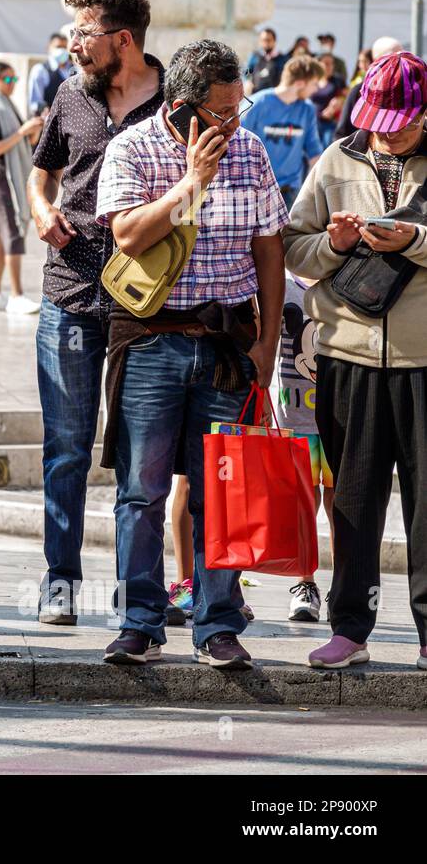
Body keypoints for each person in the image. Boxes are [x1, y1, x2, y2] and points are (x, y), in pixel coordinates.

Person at [96, 39, 286, 668]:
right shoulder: (133, 147)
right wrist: (191, 183)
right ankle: (140, 621)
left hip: (228, 346)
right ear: (183, 109)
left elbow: (269, 252)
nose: (237, 123)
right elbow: (126, 232)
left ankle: (218, 625)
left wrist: (267, 343)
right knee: (142, 490)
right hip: (152, 342)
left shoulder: (253, 154)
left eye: (241, 108)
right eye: (225, 112)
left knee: (221, 493)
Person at [283, 51, 427, 672]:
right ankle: (351, 627)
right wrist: (336, 242)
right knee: (353, 499)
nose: (384, 133)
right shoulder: (339, 157)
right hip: (347, 353)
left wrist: (416, 241)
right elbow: (292, 245)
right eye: (377, 120)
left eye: (399, 123)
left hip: (424, 360)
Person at [27, 0, 164, 625]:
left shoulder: (176, 106)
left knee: (141, 455)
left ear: (124, 40)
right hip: (69, 293)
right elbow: (40, 171)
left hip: (146, 308)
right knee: (67, 448)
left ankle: (137, 596)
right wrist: (39, 210)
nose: (73, 45)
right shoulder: (69, 96)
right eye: (73, 33)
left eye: (84, 34)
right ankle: (61, 579)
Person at [275, 272, 335, 622]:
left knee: (341, 504)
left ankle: (343, 584)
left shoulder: (345, 274)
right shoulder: (283, 281)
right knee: (303, 503)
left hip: (341, 417)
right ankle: (304, 583)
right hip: (295, 419)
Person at [0, 61, 42, 313]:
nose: (12, 85)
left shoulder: (7, 105)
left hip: (7, 170)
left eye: (14, 80)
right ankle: (16, 295)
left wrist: (33, 130)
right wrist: (23, 131)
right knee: (12, 227)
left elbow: (22, 139)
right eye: (7, 80)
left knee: (3, 232)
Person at [241, 54, 325, 209]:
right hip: (256, 190)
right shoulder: (257, 103)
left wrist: (315, 192)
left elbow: (314, 154)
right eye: (314, 83)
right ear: (300, 83)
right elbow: (235, 141)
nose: (316, 88)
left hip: (289, 192)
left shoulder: (307, 109)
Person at [335, 36, 402, 140]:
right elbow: (342, 132)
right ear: (377, 60)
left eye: (402, 54)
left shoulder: (410, 91)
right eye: (393, 56)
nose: (400, 61)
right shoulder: (359, 91)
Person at [27, 33, 74, 116]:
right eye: (58, 47)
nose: (62, 50)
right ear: (49, 48)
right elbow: (36, 102)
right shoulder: (40, 70)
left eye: (64, 47)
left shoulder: (74, 69)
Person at [310, 53, 347, 148]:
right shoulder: (311, 80)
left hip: (329, 124)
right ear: (318, 64)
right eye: (326, 63)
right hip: (312, 123)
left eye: (332, 63)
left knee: (327, 150)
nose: (330, 66)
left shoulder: (338, 81)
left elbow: (347, 96)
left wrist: (337, 103)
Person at [244, 27, 288, 93]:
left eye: (268, 40)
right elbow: (247, 71)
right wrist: (247, 81)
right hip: (256, 95)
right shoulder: (255, 56)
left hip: (275, 95)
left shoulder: (282, 58)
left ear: (274, 41)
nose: (266, 43)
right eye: (263, 40)